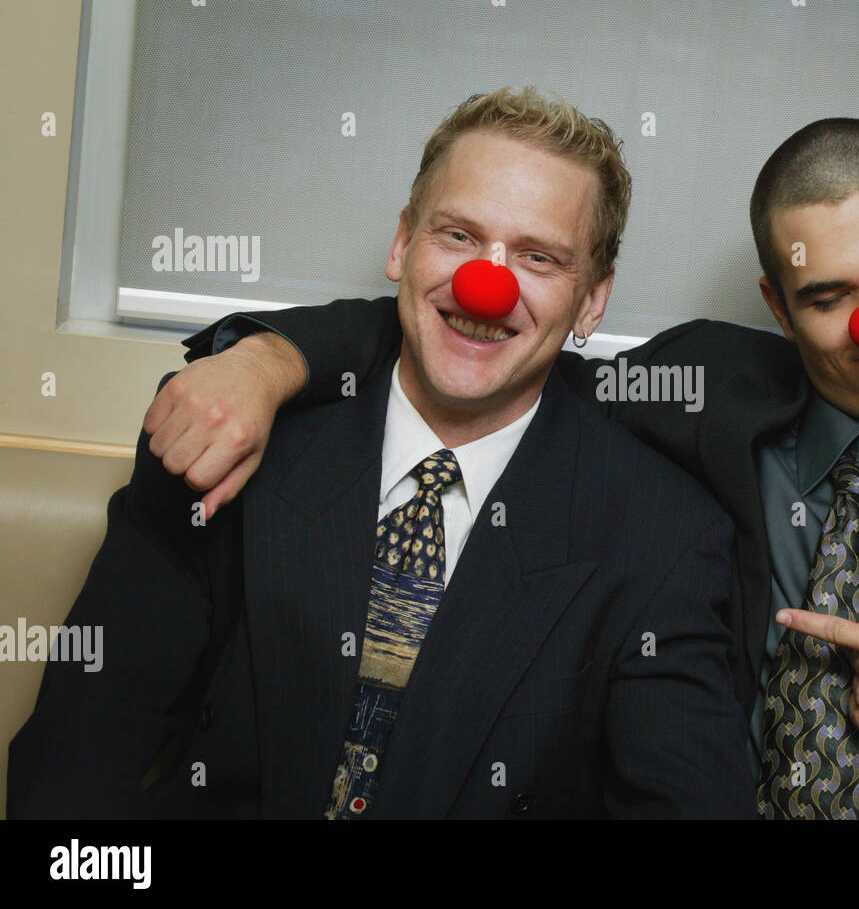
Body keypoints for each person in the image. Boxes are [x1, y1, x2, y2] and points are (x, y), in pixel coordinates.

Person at [124, 116, 859, 819]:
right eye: (829, 295)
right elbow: (485, 341)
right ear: (777, 306)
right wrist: (271, 357)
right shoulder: (699, 398)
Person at [7, 87, 754, 819]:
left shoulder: (663, 539)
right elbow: (80, 752)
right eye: (457, 236)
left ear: (592, 300)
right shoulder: (225, 434)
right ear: (403, 243)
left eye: (538, 257)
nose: (482, 286)